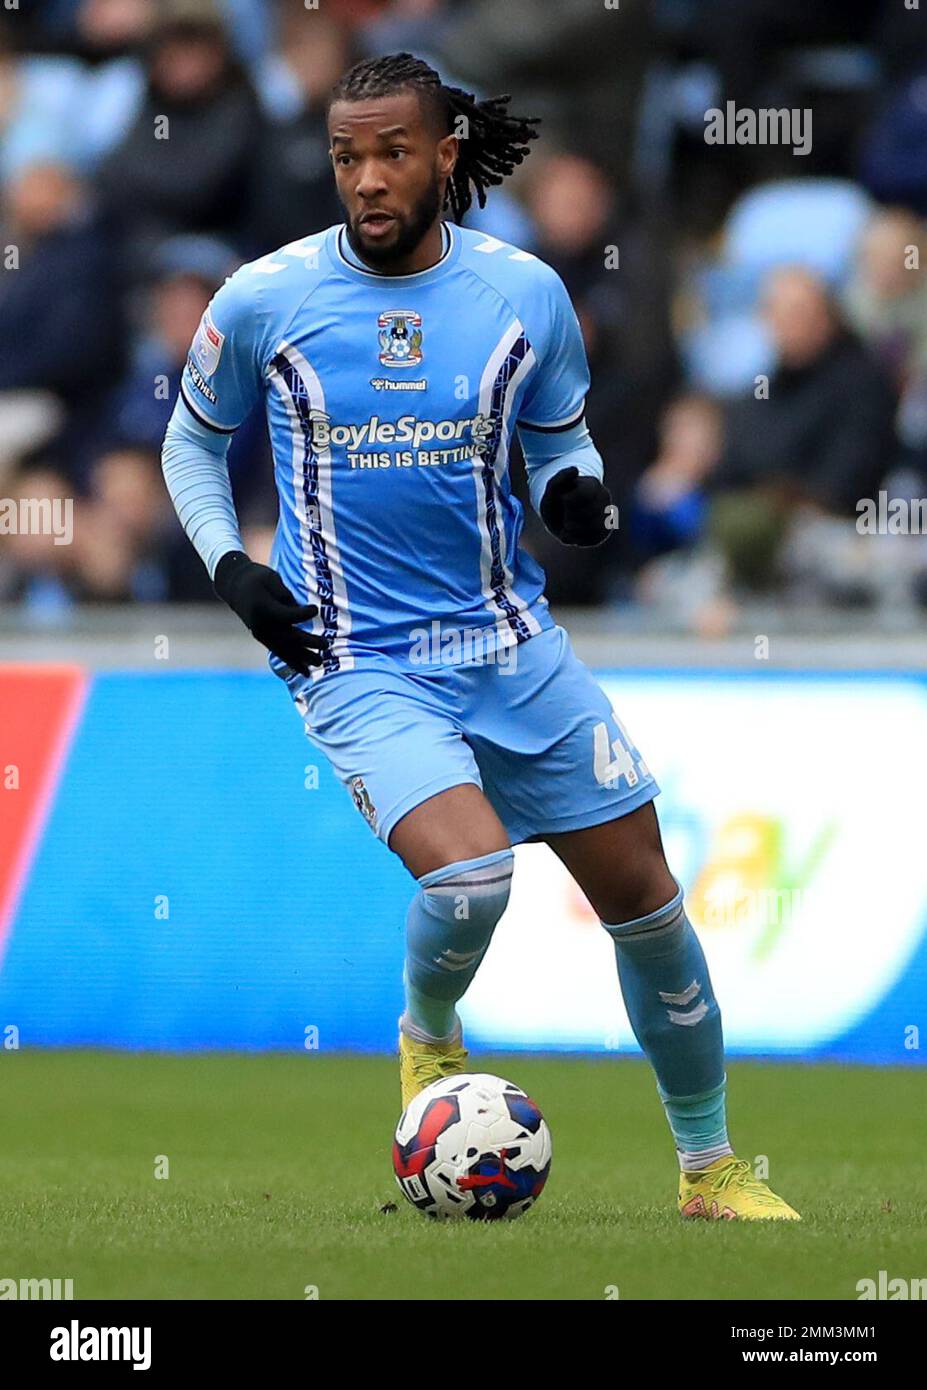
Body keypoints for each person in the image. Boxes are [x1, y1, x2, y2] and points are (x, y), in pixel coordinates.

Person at [161, 51, 799, 1222]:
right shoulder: (264, 298)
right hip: (356, 657)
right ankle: (428, 1034)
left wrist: (576, 494)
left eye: (393, 152)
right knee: (470, 875)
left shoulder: (524, 294)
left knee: (650, 905)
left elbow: (564, 439)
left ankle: (709, 1170)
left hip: (512, 647)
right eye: (347, 155)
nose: (367, 178)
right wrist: (234, 567)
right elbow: (190, 446)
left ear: (446, 154)